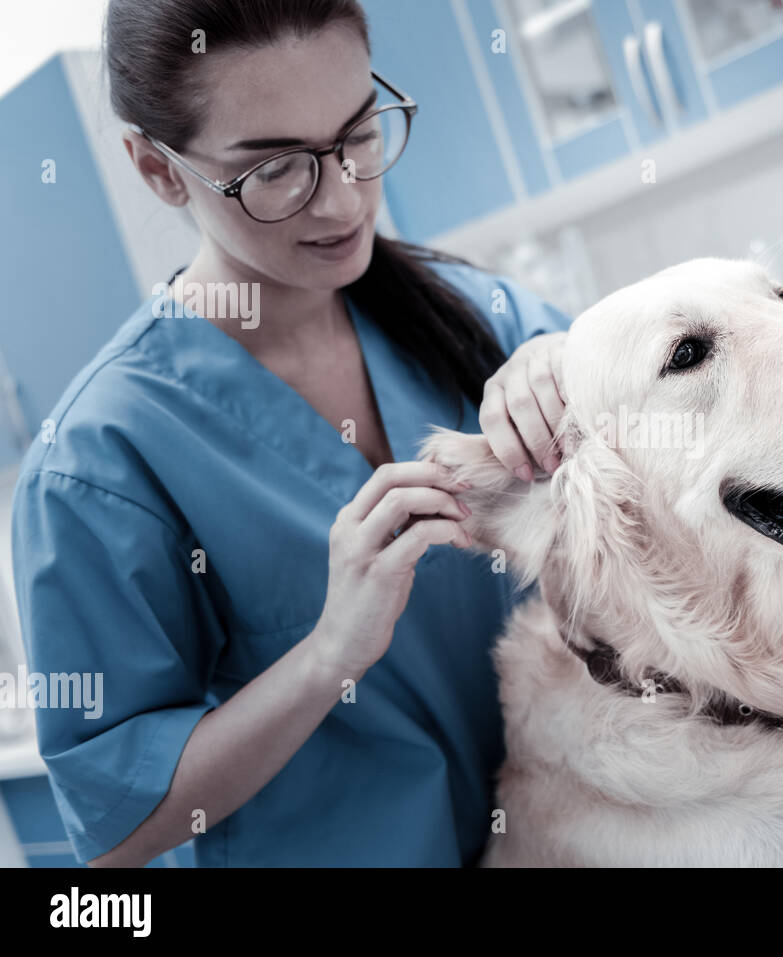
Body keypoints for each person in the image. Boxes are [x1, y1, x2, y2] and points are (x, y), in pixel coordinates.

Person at [10, 0, 571, 867]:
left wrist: (576, 368)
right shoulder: (100, 461)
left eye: (359, 132)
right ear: (158, 171)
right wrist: (327, 655)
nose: (344, 197)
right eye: (276, 169)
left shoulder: (475, 317)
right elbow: (116, 826)